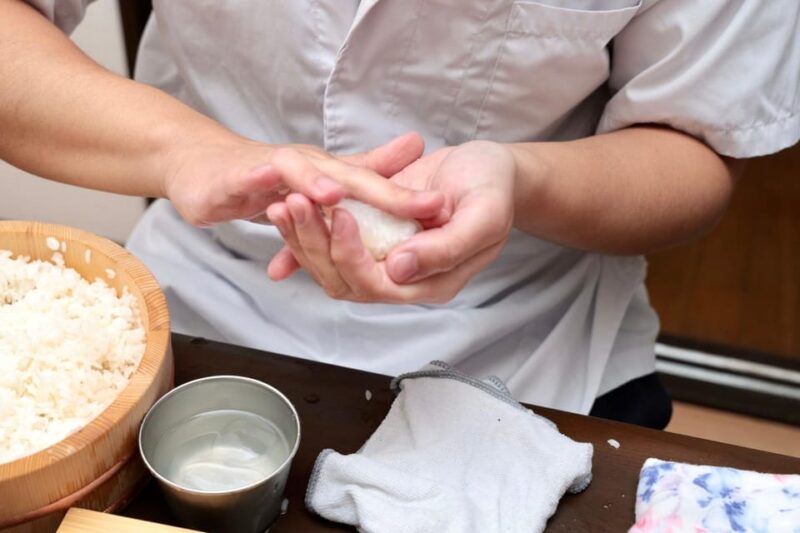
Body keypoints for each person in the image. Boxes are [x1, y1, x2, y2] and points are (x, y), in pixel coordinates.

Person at [1, 0, 798, 428]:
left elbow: (696, 143)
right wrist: (184, 148)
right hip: (200, 300)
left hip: (534, 337)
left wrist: (523, 179)